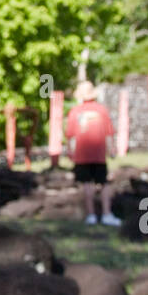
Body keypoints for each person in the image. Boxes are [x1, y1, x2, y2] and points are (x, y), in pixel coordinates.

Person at [65, 80, 120, 226]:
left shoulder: (75, 111)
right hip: (99, 153)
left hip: (82, 154)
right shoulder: (102, 110)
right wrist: (112, 148)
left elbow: (69, 135)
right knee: (104, 183)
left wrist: (70, 151)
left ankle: (91, 215)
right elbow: (109, 132)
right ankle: (107, 213)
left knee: (87, 184)